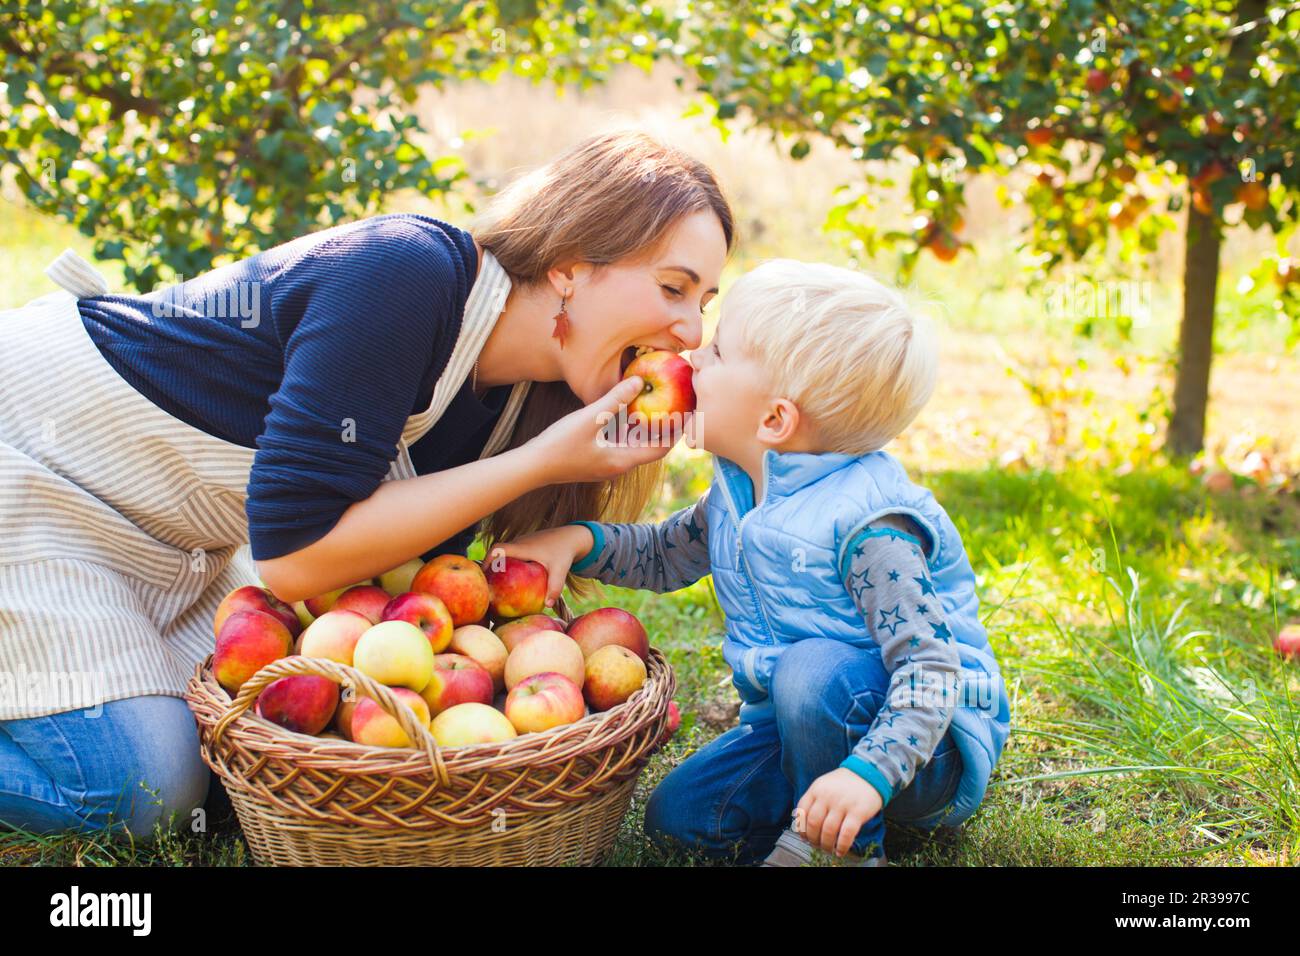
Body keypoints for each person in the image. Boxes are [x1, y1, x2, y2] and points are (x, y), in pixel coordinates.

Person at [0, 129, 734, 838]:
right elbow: (295, 558)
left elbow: (390, 575)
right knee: (142, 789)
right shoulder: (405, 276)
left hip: (174, 545)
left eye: (702, 303)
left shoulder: (521, 399)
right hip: (42, 471)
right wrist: (543, 460)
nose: (691, 334)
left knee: (245, 749)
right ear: (571, 266)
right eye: (673, 287)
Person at [492, 258, 1011, 866]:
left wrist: (868, 775)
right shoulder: (742, 489)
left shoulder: (870, 526)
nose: (692, 357)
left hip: (925, 747)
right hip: (799, 726)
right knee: (681, 820)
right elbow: (664, 555)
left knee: (810, 670)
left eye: (718, 354)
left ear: (774, 420)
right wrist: (579, 541)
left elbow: (930, 669)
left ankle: (838, 848)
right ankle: (812, 802)